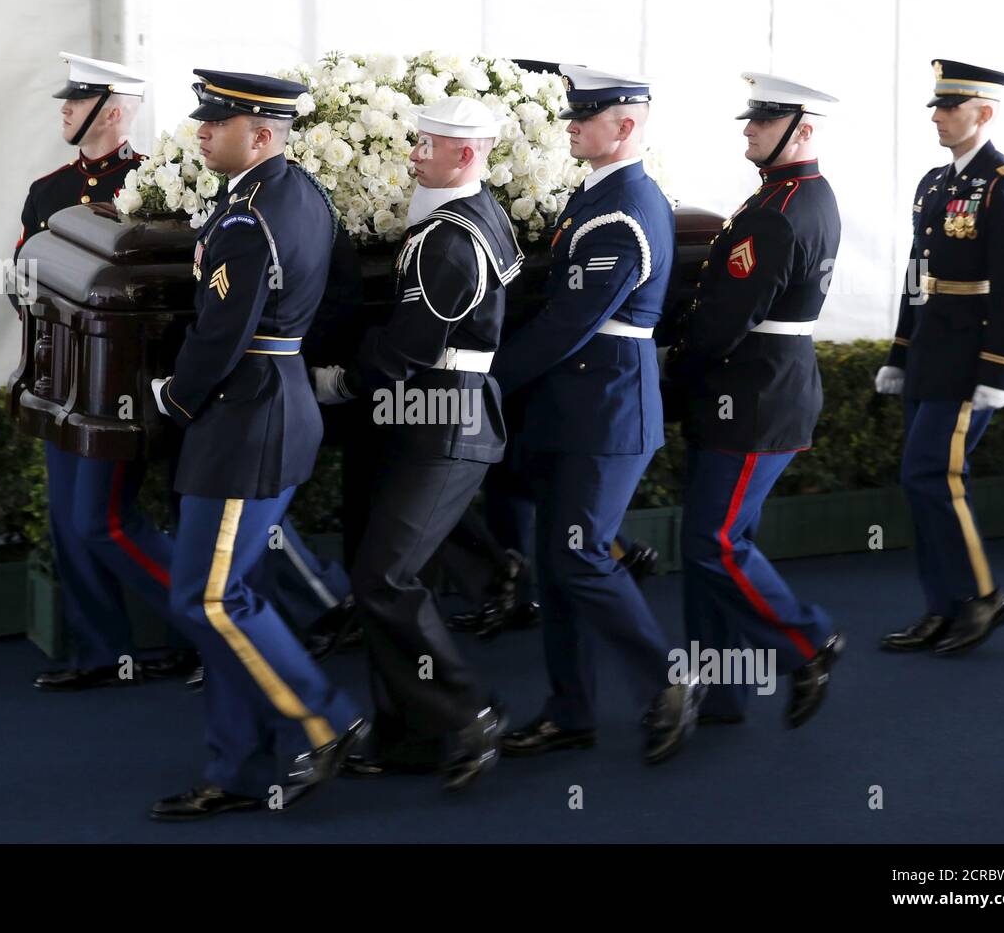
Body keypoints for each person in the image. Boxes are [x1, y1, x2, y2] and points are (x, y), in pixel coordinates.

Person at [147, 69, 365, 820]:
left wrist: (173, 396)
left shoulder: (248, 218)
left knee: (210, 597)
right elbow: (339, 295)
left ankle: (325, 718)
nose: (201, 131)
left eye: (217, 122)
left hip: (247, 419)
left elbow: (220, 334)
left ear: (263, 135)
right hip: (275, 401)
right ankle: (236, 768)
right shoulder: (300, 193)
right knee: (227, 596)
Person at [491, 66, 701, 767]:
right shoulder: (600, 194)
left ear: (626, 125)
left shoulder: (623, 208)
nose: (571, 126)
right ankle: (570, 711)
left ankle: (668, 681)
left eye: (586, 117)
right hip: (578, 406)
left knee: (579, 556)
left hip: (605, 409)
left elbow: (568, 323)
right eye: (573, 115)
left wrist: (485, 379)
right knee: (559, 563)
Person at [310, 96, 521, 790]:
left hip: (443, 415)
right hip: (430, 412)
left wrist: (342, 380)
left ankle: (466, 715)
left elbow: (409, 345)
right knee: (393, 574)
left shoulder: (447, 238)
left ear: (467, 153)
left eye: (428, 145)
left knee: (386, 576)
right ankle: (406, 732)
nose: (413, 153)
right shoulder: (477, 215)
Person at [659, 72, 845, 727]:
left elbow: (721, 322)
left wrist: (672, 372)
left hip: (751, 395)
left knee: (713, 542)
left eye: (765, 120)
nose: (750, 128)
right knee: (716, 543)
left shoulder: (776, 211)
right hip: (761, 390)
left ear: (803, 129)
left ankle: (808, 642)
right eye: (753, 117)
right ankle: (722, 688)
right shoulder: (801, 196)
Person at [16, 52, 195, 691]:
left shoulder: (159, 186)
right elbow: (24, 281)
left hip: (125, 385)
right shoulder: (48, 192)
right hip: (63, 379)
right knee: (70, 521)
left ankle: (207, 630)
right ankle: (101, 652)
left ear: (113, 112)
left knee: (109, 519)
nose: (64, 110)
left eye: (77, 101)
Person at [876, 60, 1004, 656]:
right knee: (920, 479)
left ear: (984, 113)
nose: (938, 117)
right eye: (937, 106)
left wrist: (1003, 371)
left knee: (935, 474)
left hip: (972, 359)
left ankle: (982, 596)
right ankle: (943, 605)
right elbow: (917, 275)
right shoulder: (934, 183)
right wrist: (900, 351)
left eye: (950, 107)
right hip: (929, 351)